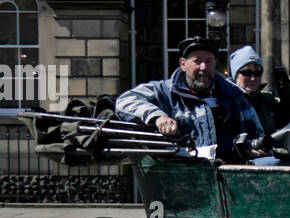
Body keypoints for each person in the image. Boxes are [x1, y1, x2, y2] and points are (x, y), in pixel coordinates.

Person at [115, 36, 270, 163]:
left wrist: (253, 149)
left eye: (209, 61)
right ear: (183, 64)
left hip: (231, 178)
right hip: (184, 178)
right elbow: (125, 101)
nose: (203, 67)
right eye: (197, 61)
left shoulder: (234, 95)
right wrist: (157, 117)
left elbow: (257, 135)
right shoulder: (164, 91)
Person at [228, 45, 290, 136]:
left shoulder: (266, 101)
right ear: (236, 75)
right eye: (247, 73)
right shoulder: (227, 101)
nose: (253, 78)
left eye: (258, 73)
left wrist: (286, 88)